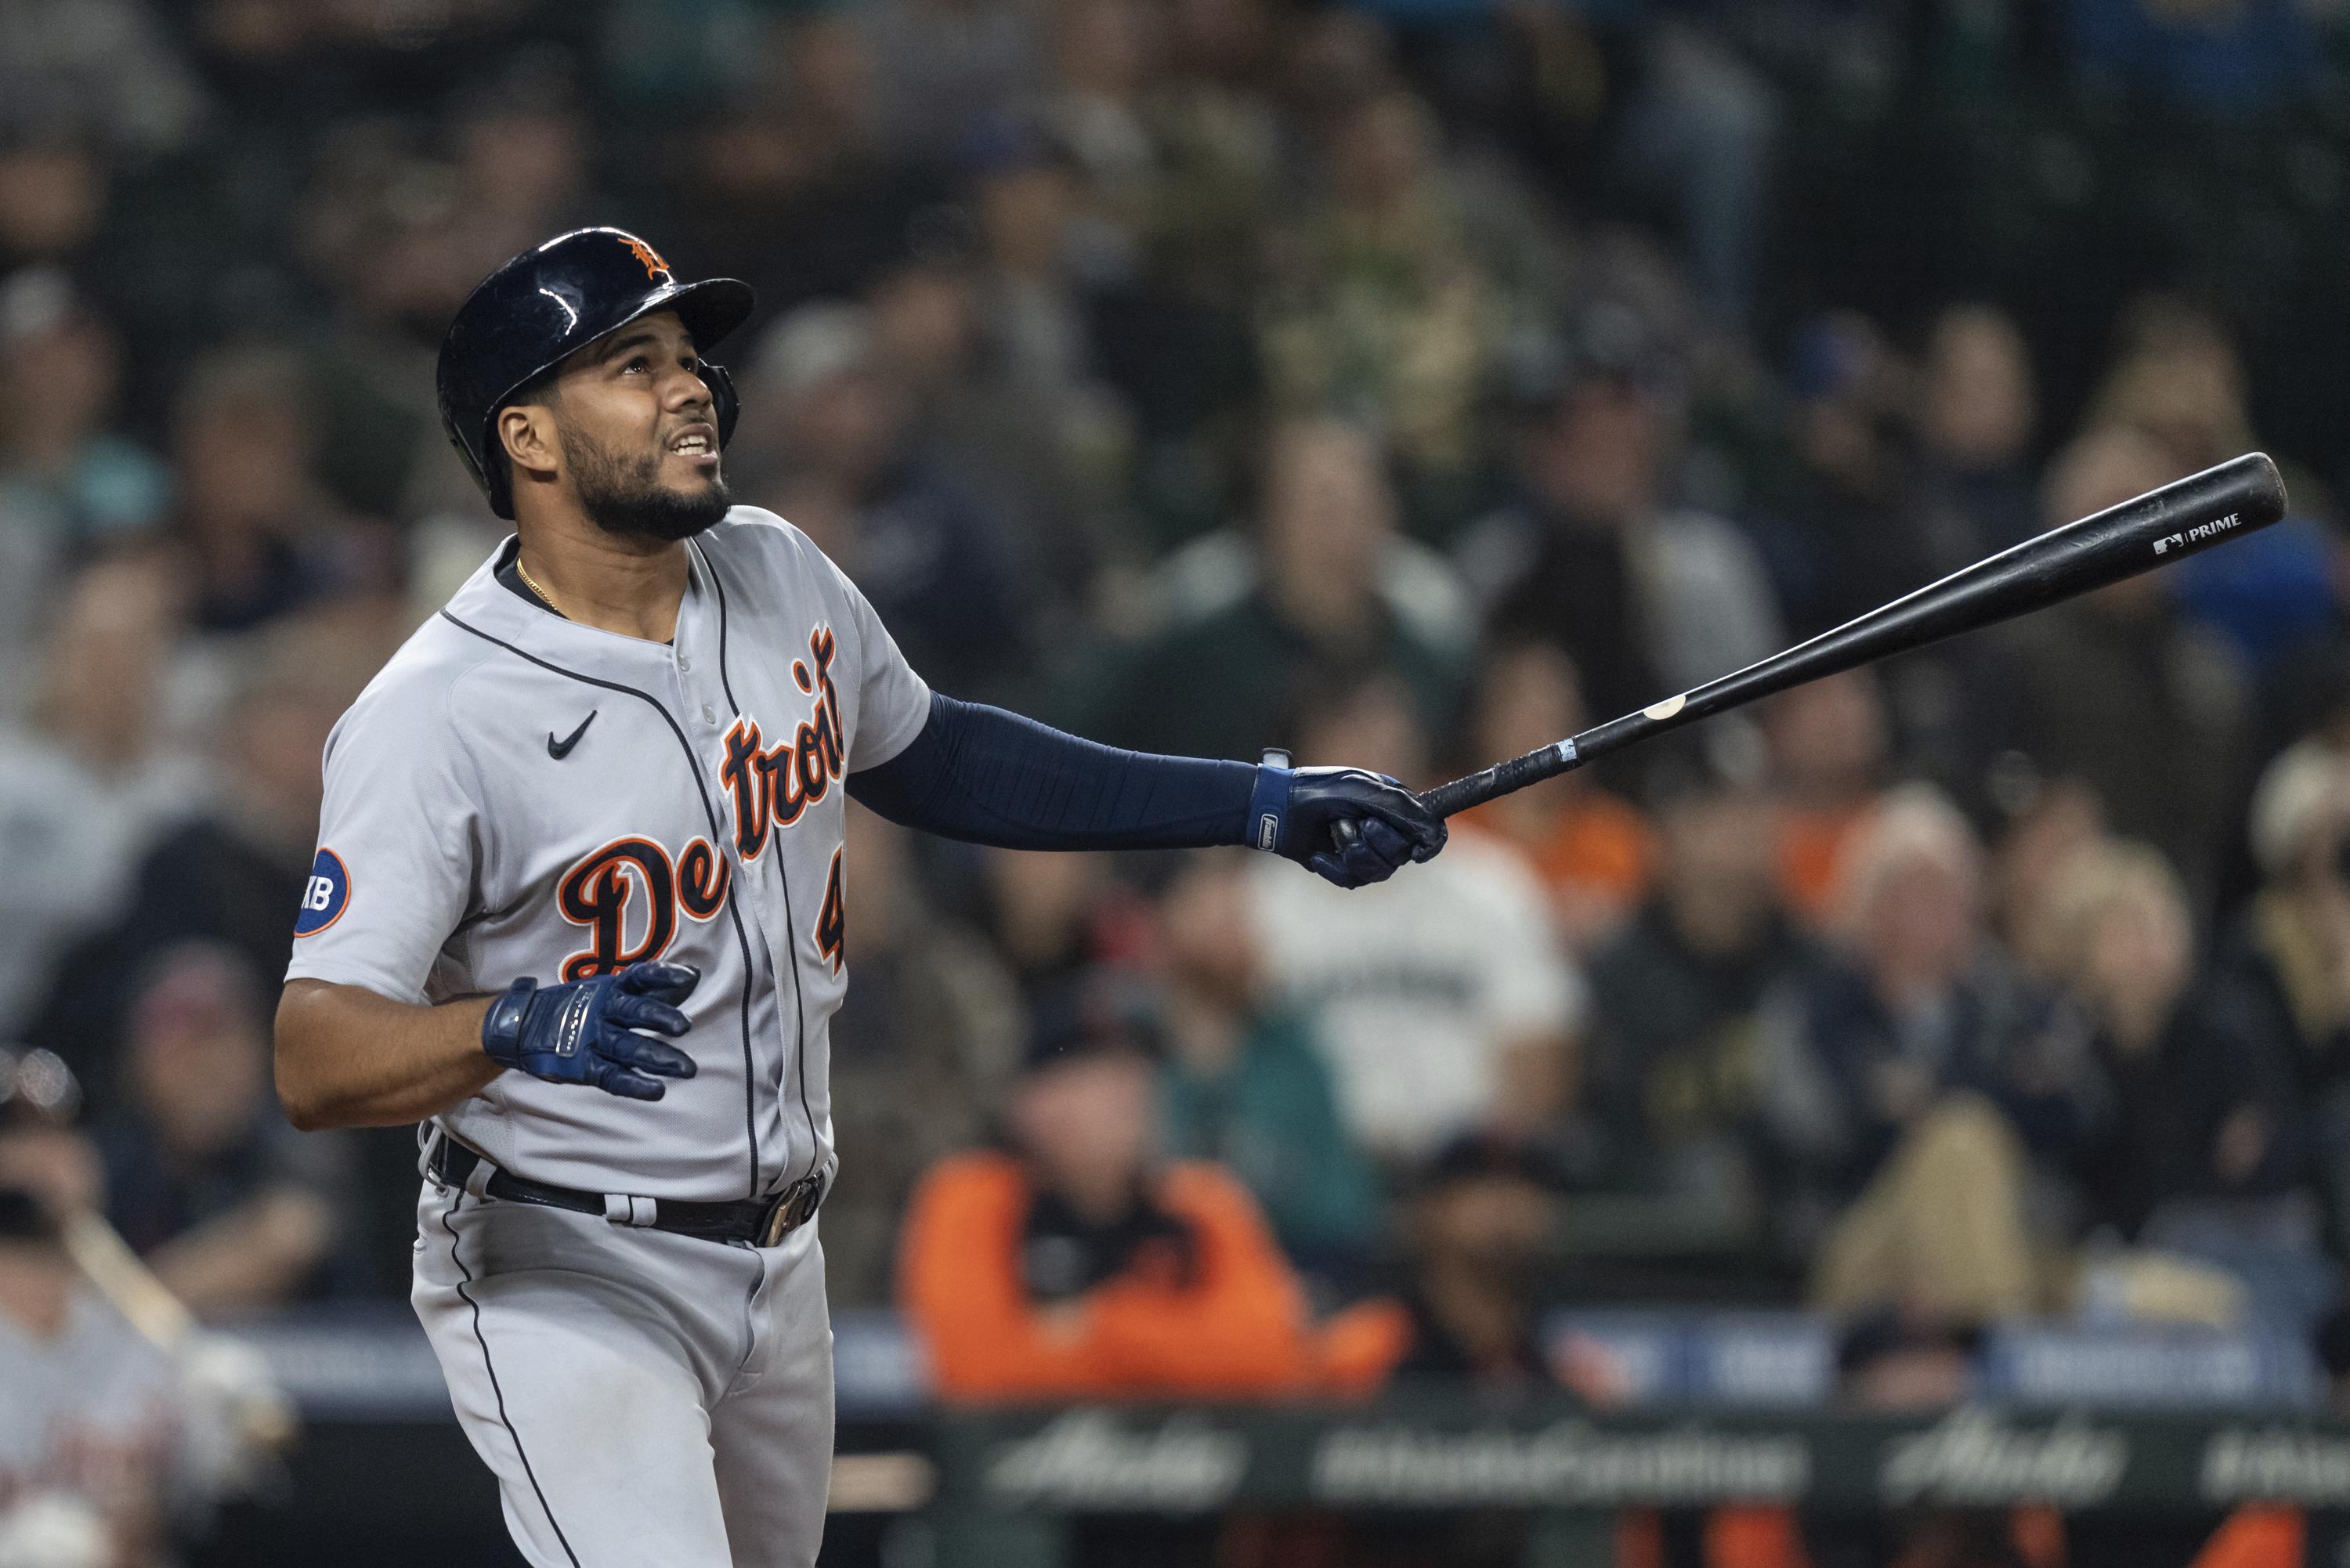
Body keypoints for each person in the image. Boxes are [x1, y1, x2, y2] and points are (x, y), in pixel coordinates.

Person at [271, 228, 1445, 1568]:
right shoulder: (434, 716)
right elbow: (313, 1049)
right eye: (632, 363)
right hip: (563, 1259)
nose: (691, 383)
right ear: (528, 439)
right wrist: (506, 1026)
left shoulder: (776, 569)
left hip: (779, 1258)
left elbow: (940, 755)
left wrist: (1254, 803)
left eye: (688, 353)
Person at [898, 975, 1320, 1400]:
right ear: (1031, 1102)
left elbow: (1273, 1355)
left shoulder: (1202, 1201)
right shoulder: (972, 1197)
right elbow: (974, 1371)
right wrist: (1183, 1342)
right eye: (1102, 1071)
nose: (1135, 1089)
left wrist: (1094, 1325)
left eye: (1143, 1070)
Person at [1249, 670, 1581, 1164]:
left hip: (1465, 1177)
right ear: (1304, 756)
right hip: (1314, 1186)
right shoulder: (1256, 901)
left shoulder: (1494, 883)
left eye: (1386, 726)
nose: (1373, 745)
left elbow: (1540, 1051)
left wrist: (1488, 1166)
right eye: (1349, 726)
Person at [1152, 849, 1380, 1279]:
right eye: (1212, 913)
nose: (1233, 936)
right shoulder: (1120, 1045)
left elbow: (1341, 1217)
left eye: (1241, 918)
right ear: (1160, 922)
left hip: (1280, 1283)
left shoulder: (1296, 1052)